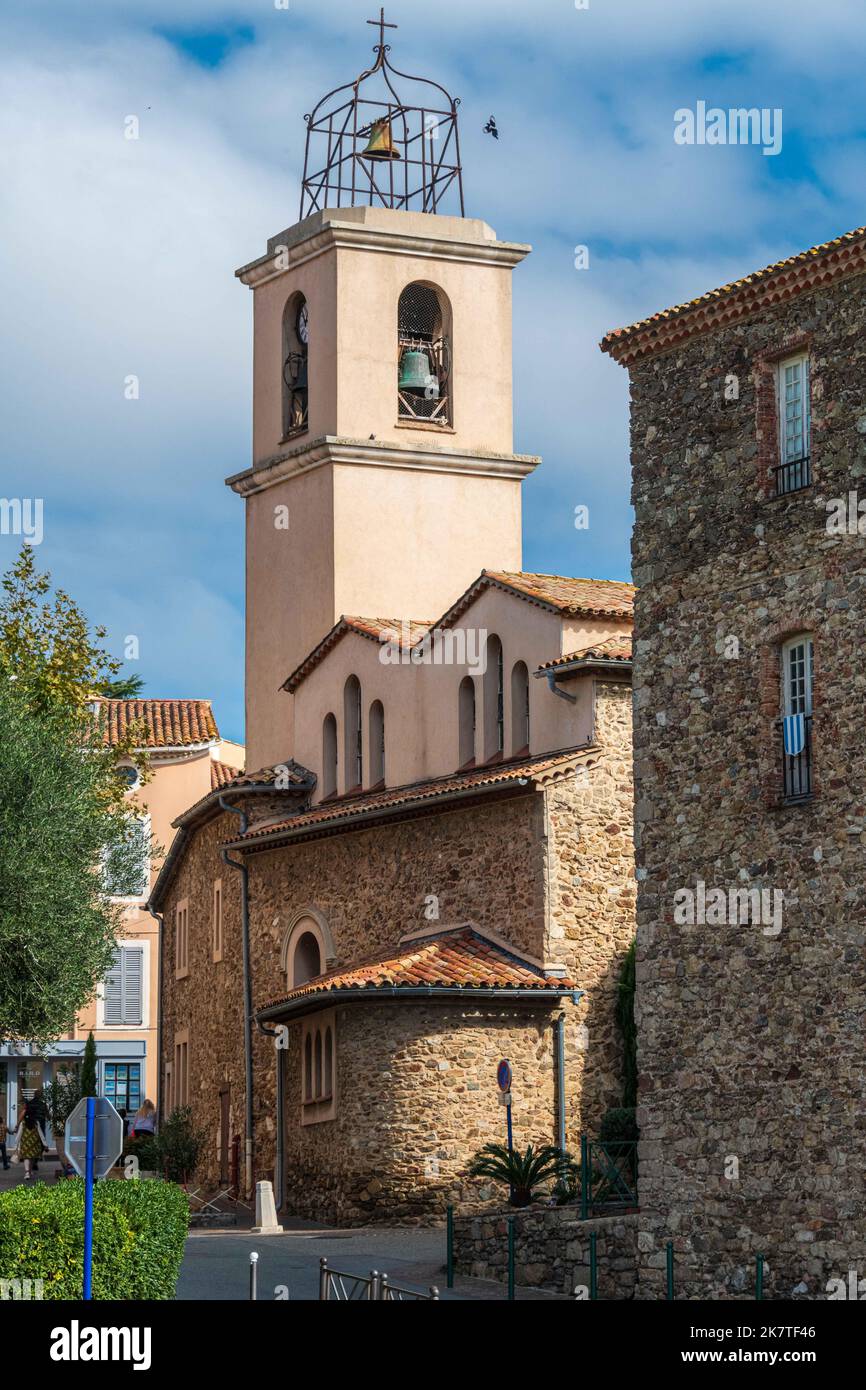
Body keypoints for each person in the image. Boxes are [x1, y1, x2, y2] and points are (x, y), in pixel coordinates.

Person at [11, 1108, 50, 1180]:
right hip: (34, 1143)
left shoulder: (23, 1123)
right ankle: (30, 1170)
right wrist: (45, 1144)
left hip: (25, 1143)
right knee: (32, 1157)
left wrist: (15, 1145)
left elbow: (19, 1134)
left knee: (26, 1157)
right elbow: (40, 1134)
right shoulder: (36, 1123)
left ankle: (27, 1173)